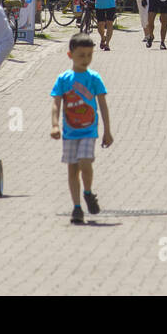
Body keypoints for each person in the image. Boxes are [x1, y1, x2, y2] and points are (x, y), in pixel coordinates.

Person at [50, 34, 114, 225]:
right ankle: (77, 207)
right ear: (70, 55)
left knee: (85, 163)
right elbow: (56, 103)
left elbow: (102, 104)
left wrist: (107, 130)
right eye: (81, 55)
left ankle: (87, 192)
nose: (85, 59)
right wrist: (54, 124)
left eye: (89, 55)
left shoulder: (94, 78)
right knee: (72, 169)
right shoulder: (63, 79)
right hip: (70, 132)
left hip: (88, 131)